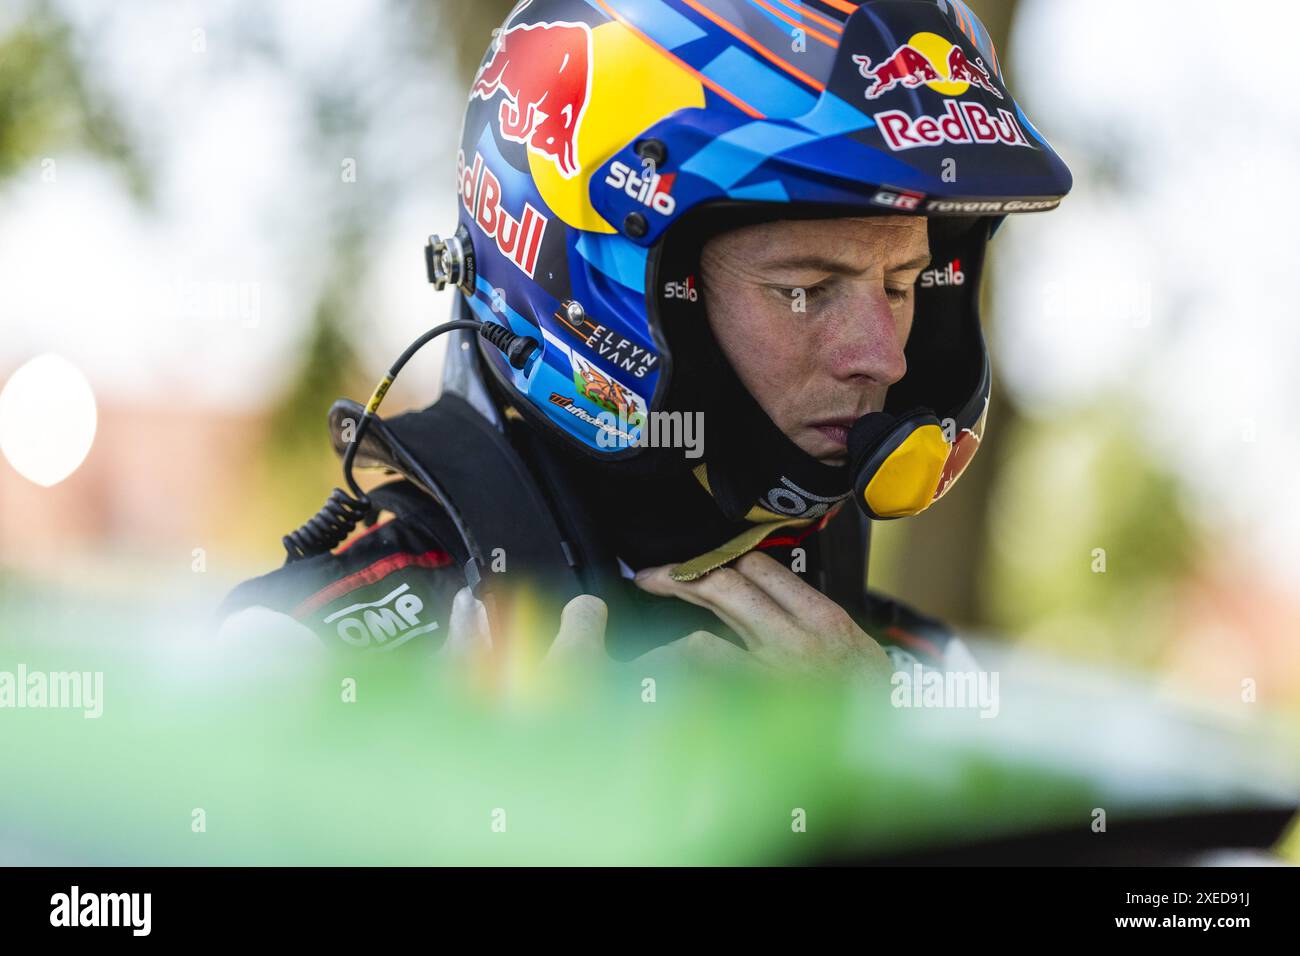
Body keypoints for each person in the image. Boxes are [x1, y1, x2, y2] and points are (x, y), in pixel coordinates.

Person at [220, 0, 1071, 675]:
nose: (882, 357)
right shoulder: (299, 657)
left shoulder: (912, 681)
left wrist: (865, 768)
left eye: (901, 284)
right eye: (807, 291)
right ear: (600, 285)